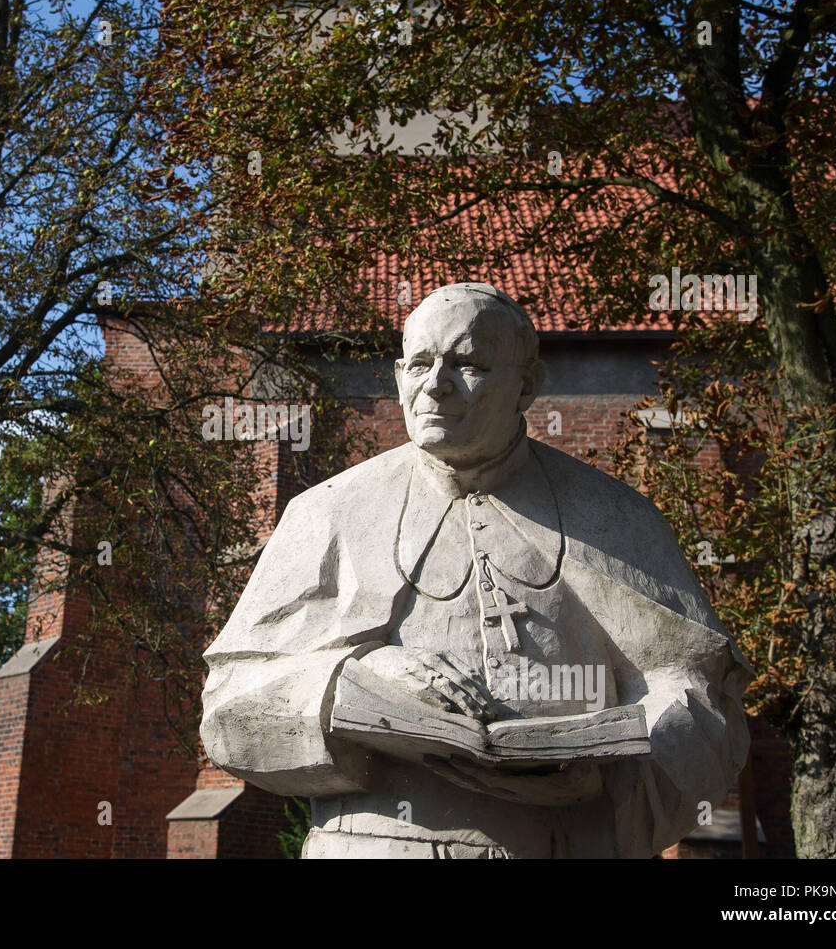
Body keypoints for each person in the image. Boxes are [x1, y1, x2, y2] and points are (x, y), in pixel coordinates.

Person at [200, 282, 752, 858]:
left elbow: (700, 691)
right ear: (397, 376)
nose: (435, 385)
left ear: (527, 386)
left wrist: (621, 755)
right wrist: (359, 686)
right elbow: (231, 703)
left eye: (468, 363)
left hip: (563, 841)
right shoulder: (329, 512)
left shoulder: (615, 518)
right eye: (418, 364)